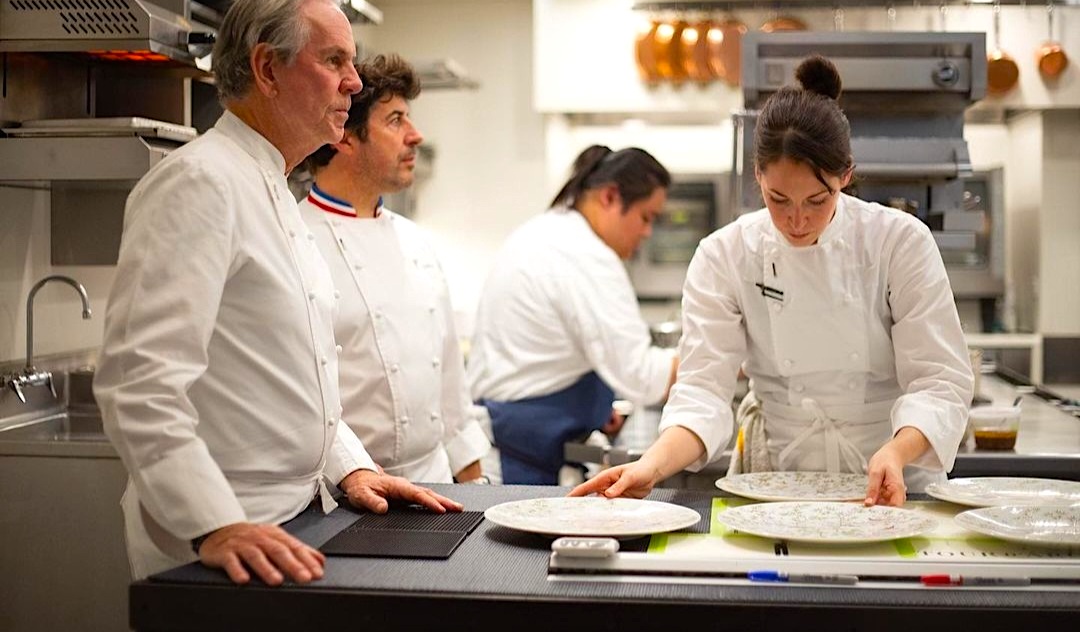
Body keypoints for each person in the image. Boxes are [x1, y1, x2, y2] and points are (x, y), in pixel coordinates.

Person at [94, 0, 460, 587]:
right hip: (222, 541)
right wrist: (215, 523)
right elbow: (139, 383)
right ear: (267, 68)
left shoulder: (275, 192)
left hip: (296, 521)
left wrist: (350, 468)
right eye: (334, 60)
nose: (355, 82)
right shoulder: (201, 183)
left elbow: (297, 376)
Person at [571, 55, 973, 507]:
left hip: (890, 483)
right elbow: (703, 391)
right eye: (778, 199)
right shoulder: (726, 254)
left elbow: (939, 381)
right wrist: (652, 465)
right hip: (781, 482)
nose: (797, 220)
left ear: (846, 176)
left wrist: (898, 451)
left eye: (817, 200)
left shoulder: (898, 242)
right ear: (757, 175)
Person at [299, 53, 489, 483]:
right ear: (345, 137)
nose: (416, 136)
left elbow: (451, 391)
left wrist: (476, 487)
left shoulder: (416, 241)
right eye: (396, 120)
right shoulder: (296, 239)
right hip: (346, 491)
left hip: (436, 480)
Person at [467, 145, 679, 485]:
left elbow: (551, 352)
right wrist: (715, 358)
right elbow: (642, 376)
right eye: (646, 217)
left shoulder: (547, 230)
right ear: (610, 197)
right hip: (523, 459)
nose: (647, 233)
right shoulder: (586, 255)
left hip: (509, 439)